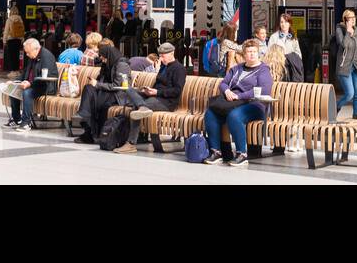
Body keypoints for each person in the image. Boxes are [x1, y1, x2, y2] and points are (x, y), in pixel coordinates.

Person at [202, 39, 273, 167]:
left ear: (258, 54)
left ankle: (242, 154)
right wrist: (227, 91)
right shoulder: (237, 68)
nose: (252, 54)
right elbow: (223, 83)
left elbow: (263, 90)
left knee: (234, 116)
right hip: (233, 103)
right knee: (210, 113)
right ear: (244, 54)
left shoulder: (263, 70)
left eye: (254, 52)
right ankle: (216, 152)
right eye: (249, 52)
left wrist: (239, 96)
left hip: (255, 105)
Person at [122, 41, 185, 152]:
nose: (161, 58)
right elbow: (158, 84)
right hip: (154, 97)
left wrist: (157, 92)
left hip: (167, 102)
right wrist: (148, 90)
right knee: (130, 90)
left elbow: (176, 91)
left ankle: (131, 143)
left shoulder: (179, 69)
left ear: (172, 54)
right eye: (160, 56)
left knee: (137, 108)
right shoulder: (163, 67)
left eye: (163, 56)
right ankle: (142, 106)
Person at [73, 40, 131, 144]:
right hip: (106, 92)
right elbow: (101, 80)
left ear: (109, 55)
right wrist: (95, 83)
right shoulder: (107, 64)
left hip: (117, 95)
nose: (103, 60)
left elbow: (118, 86)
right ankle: (86, 122)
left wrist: (98, 84)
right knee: (88, 88)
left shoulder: (122, 65)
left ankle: (88, 129)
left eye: (104, 57)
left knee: (97, 102)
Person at [5, 37, 58, 130]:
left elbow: (46, 76)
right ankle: (17, 119)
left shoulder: (47, 57)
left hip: (45, 86)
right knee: (12, 89)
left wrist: (30, 83)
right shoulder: (33, 55)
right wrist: (15, 81)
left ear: (36, 49)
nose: (27, 54)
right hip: (33, 84)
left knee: (27, 92)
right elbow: (25, 71)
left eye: (28, 52)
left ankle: (26, 122)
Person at [268, 14, 303, 82]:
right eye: (281, 22)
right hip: (278, 69)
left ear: (290, 24)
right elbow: (269, 53)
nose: (283, 24)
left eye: (286, 22)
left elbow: (299, 55)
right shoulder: (274, 37)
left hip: (291, 69)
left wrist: (290, 58)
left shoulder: (293, 38)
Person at [3, 5, 26, 74]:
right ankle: (17, 71)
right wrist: (22, 39)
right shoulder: (20, 19)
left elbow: (6, 31)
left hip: (11, 39)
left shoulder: (9, 19)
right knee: (17, 55)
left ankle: (13, 71)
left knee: (11, 56)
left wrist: (4, 40)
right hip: (18, 40)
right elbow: (22, 30)